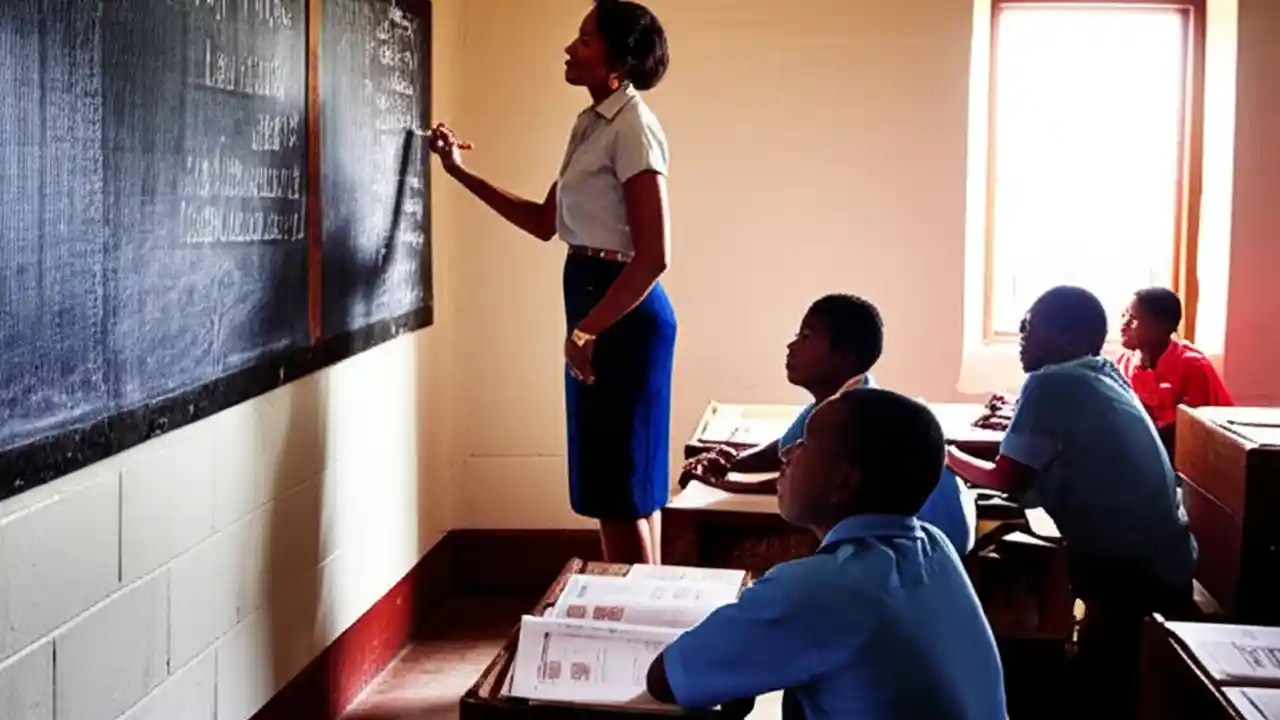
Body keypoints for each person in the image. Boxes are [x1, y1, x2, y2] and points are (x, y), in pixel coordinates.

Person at [426, 0, 675, 563]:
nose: (570, 48)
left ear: (619, 61)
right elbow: (545, 222)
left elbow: (655, 255)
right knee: (623, 485)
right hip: (596, 296)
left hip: (621, 308)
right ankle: (643, 623)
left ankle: (636, 634)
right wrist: (458, 173)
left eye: (585, 40)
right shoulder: (591, 123)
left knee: (621, 487)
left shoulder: (633, 128)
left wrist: (586, 332)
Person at [646, 389, 1007, 719]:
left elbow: (668, 679)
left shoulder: (821, 588)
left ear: (844, 483)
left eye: (804, 443)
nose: (786, 453)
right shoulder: (933, 545)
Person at [946, 285, 1196, 718]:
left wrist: (942, 453)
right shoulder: (1100, 371)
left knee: (996, 575)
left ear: (1067, 336)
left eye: (1029, 328)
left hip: (1128, 575)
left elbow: (1007, 476)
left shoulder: (1051, 382)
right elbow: (1023, 453)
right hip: (1170, 559)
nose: (1022, 338)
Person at [680, 294, 976, 555]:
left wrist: (726, 484)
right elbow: (781, 450)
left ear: (844, 358)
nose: (791, 346)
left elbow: (811, 484)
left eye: (806, 338)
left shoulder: (858, 417)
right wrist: (731, 461)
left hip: (925, 545)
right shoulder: (830, 407)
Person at [1116, 286, 1233, 452]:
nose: (1123, 325)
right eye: (1124, 316)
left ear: (1162, 327)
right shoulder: (1123, 363)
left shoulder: (1194, 367)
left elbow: (1199, 433)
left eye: (1133, 320)